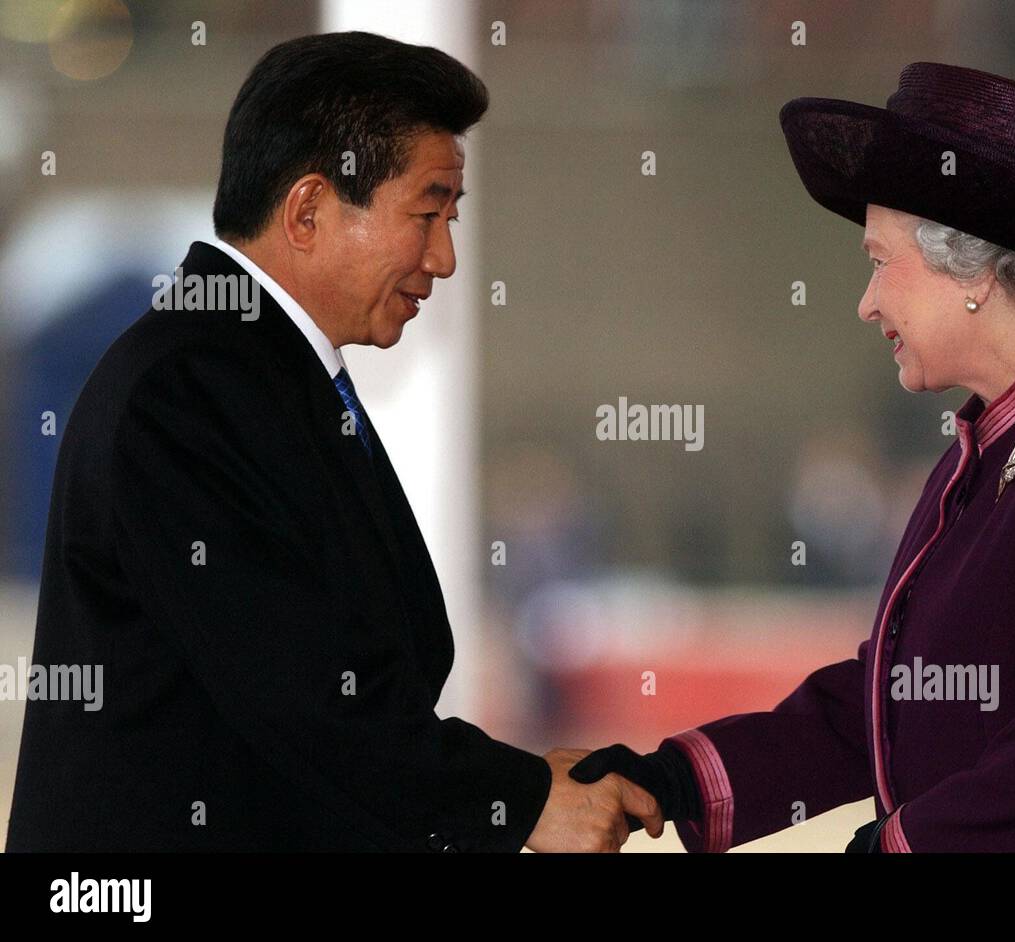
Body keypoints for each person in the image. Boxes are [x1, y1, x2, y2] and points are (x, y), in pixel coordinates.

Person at [572, 62, 1015, 852]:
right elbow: (896, 698)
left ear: (976, 268)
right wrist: (675, 780)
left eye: (880, 261)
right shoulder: (1001, 442)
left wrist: (899, 845)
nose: (867, 301)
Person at [5, 31, 660, 853]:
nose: (445, 259)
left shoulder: (255, 373)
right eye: (426, 214)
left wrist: (521, 785)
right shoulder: (186, 390)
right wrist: (519, 799)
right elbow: (297, 690)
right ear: (308, 210)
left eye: (451, 218)